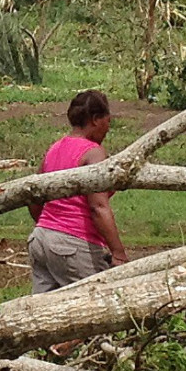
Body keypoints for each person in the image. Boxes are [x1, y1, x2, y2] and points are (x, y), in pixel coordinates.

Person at [28, 89, 129, 292]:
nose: (108, 129)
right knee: (102, 306)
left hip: (39, 239)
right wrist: (118, 253)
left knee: (45, 313)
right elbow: (98, 207)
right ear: (95, 119)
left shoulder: (54, 149)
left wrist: (50, 226)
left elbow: (33, 198)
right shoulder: (93, 153)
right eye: (107, 122)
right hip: (72, 246)